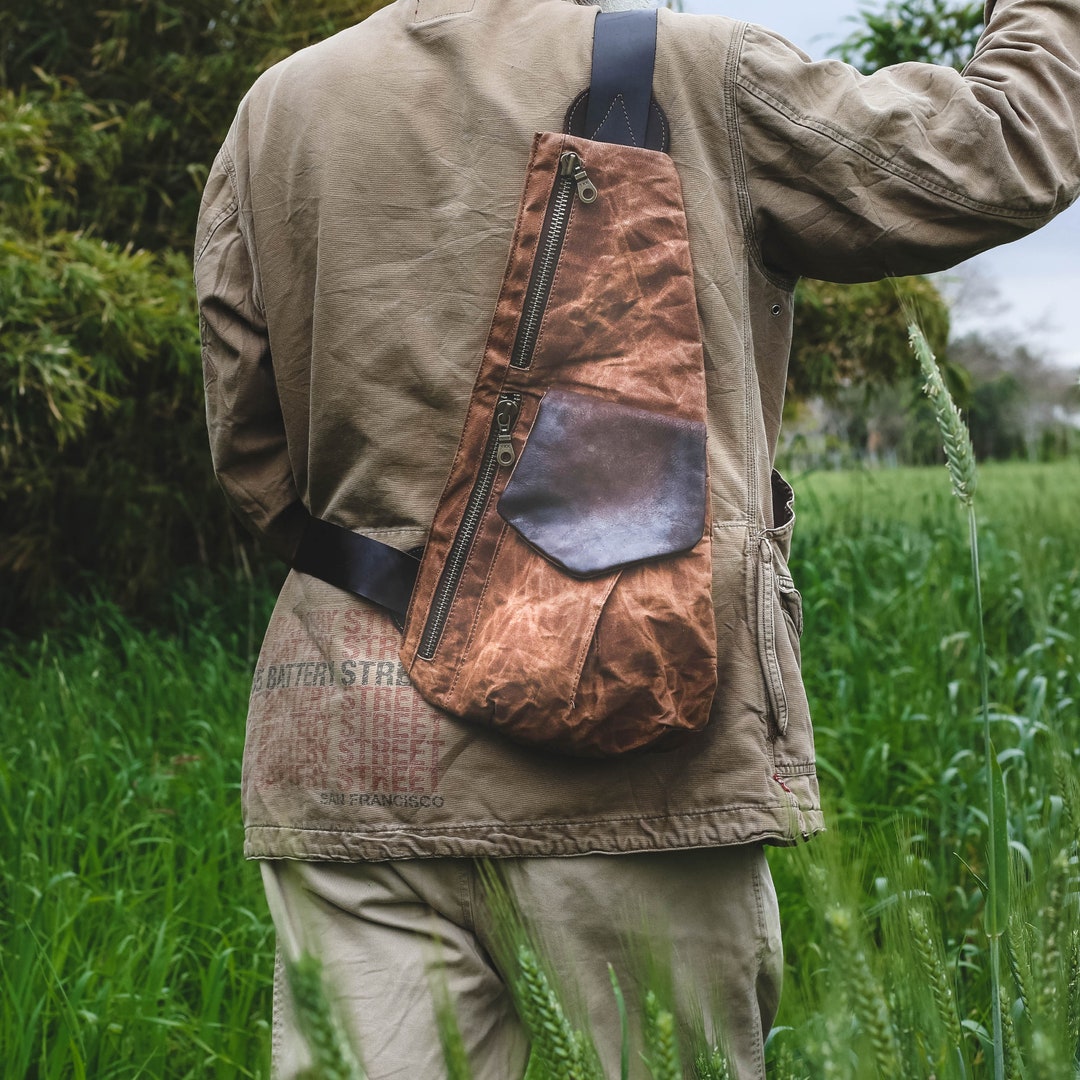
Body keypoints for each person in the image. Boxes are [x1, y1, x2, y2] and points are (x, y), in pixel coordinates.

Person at [194, 0, 1080, 1076]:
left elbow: (251, 453)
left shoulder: (281, 106)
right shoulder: (700, 73)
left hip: (351, 751)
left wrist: (418, 577)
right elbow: (1001, 151)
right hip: (632, 746)